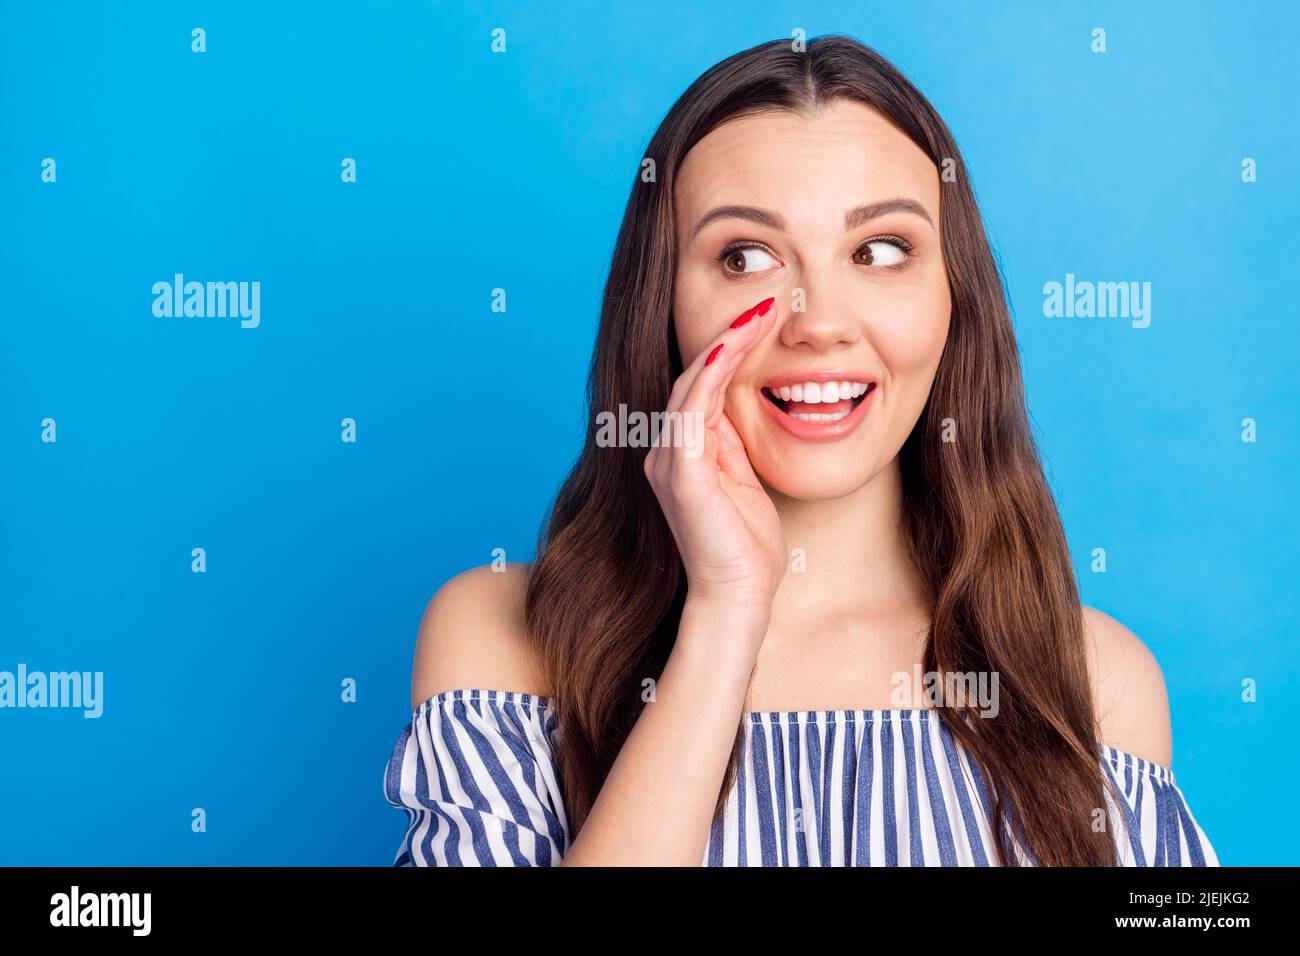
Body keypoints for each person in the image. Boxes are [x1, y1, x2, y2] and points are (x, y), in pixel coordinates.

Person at [383, 34, 1218, 867]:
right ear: (663, 305)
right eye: (745, 257)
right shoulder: (503, 639)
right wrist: (727, 609)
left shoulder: (1092, 681)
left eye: (880, 251)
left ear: (954, 299)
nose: (817, 320)